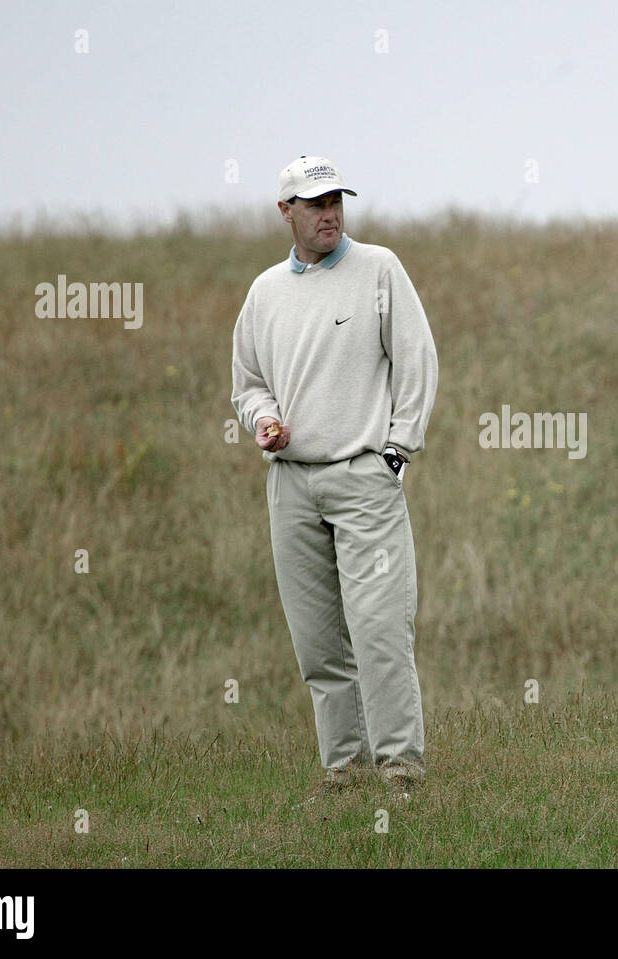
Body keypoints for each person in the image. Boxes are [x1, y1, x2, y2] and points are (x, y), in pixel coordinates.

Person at [231, 155, 438, 799]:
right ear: (286, 212)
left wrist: (397, 450)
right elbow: (249, 383)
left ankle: (400, 773)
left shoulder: (379, 268)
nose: (330, 214)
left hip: (364, 480)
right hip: (291, 486)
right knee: (319, 647)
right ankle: (342, 775)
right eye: (316, 204)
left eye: (336, 202)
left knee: (379, 633)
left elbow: (417, 359)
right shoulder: (265, 292)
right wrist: (264, 420)